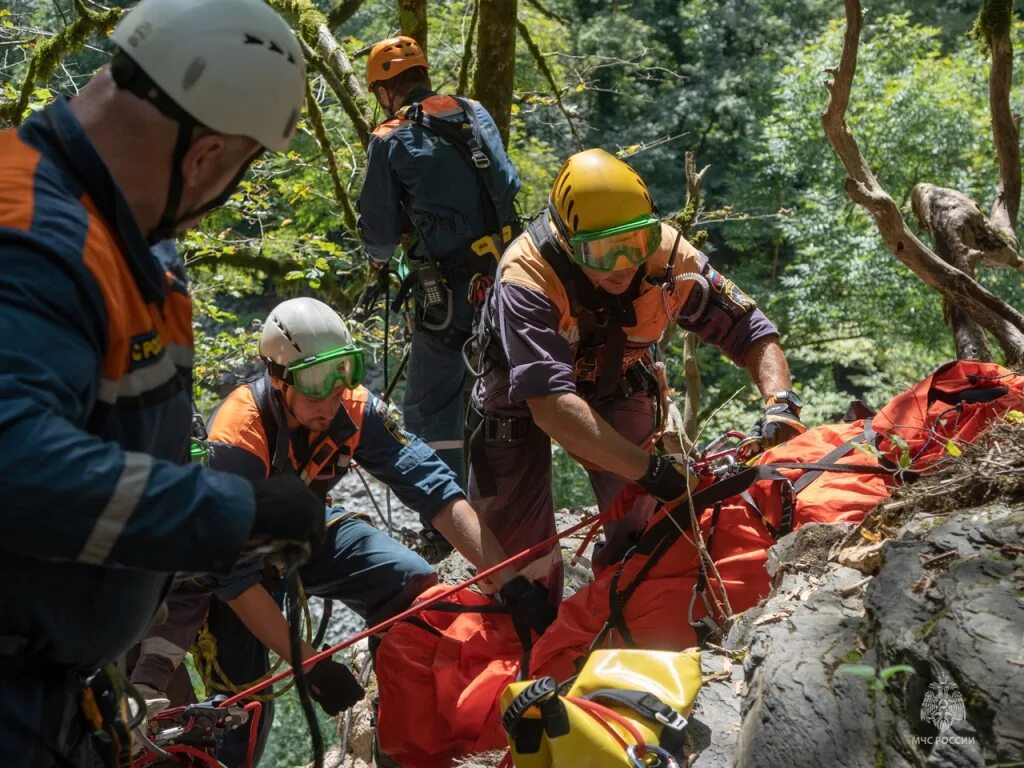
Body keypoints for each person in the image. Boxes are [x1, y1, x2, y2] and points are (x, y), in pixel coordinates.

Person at [0, 0, 320, 764]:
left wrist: (224, 532)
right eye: (236, 174)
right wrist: (226, 510)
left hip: (51, 688)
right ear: (205, 155)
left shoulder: (125, 243)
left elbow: (120, 460)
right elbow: (13, 463)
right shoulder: (30, 240)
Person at [131, 297, 550, 766]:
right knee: (245, 709)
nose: (330, 399)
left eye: (342, 373)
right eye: (314, 384)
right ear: (278, 377)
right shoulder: (236, 440)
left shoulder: (351, 407)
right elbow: (236, 578)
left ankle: (402, 735)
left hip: (306, 530)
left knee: (406, 580)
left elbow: (435, 490)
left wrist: (505, 574)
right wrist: (313, 665)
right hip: (237, 570)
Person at [467, 148, 807, 594]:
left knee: (647, 528)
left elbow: (747, 327)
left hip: (616, 378)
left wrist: (780, 401)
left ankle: (627, 602)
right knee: (515, 569)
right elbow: (551, 407)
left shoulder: (667, 256)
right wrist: (649, 469)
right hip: (515, 402)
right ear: (569, 242)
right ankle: (528, 635)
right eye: (602, 251)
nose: (623, 265)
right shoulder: (528, 277)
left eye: (635, 242)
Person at [357, 35, 521, 491]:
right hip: (513, 276)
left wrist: (377, 265)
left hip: (452, 293)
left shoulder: (390, 138)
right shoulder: (473, 110)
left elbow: (380, 234)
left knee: (430, 408)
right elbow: (505, 181)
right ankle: (502, 500)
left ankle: (445, 519)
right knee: (498, 390)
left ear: (384, 89)